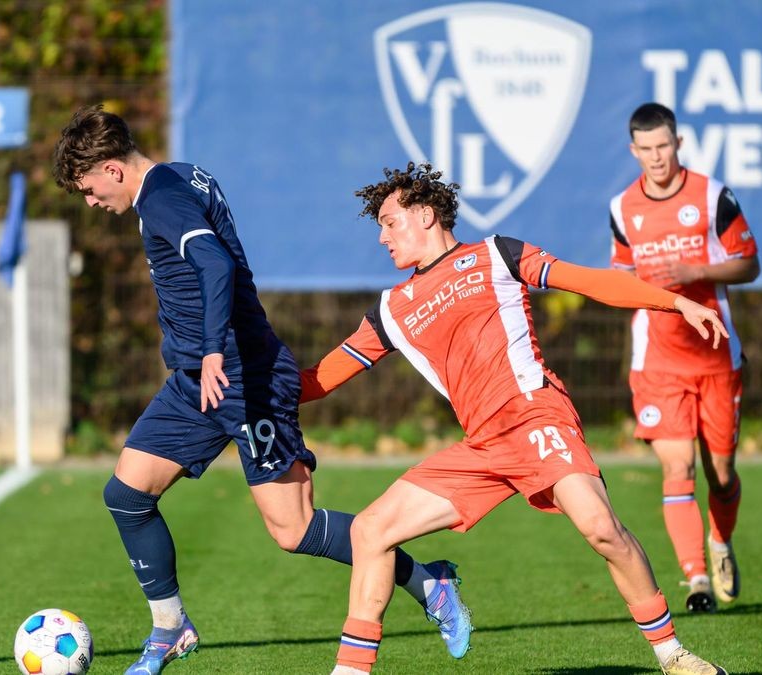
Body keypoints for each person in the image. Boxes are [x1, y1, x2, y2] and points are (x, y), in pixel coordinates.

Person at [50, 106, 471, 675]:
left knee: (294, 530)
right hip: (196, 382)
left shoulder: (162, 199)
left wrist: (215, 348)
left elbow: (216, 267)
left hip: (240, 377)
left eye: (89, 188)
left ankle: (429, 581)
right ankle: (171, 627)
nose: (91, 202)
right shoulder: (184, 176)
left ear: (112, 169)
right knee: (127, 494)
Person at [301, 162, 730, 675]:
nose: (382, 238)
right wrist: (247, 388)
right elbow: (319, 379)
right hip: (482, 446)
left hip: (535, 417)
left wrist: (674, 303)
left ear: (426, 214)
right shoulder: (392, 308)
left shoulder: (497, 255)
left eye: (390, 223)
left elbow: (591, 283)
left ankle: (673, 655)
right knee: (370, 531)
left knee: (601, 529)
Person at [609, 103, 760, 613]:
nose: (656, 157)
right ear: (634, 150)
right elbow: (622, 274)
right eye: (646, 149)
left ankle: (721, 542)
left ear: (678, 143)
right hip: (657, 361)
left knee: (722, 474)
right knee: (678, 466)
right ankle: (696, 580)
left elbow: (750, 264)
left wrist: (695, 269)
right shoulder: (622, 207)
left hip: (716, 357)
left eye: (663, 146)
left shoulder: (712, 195)